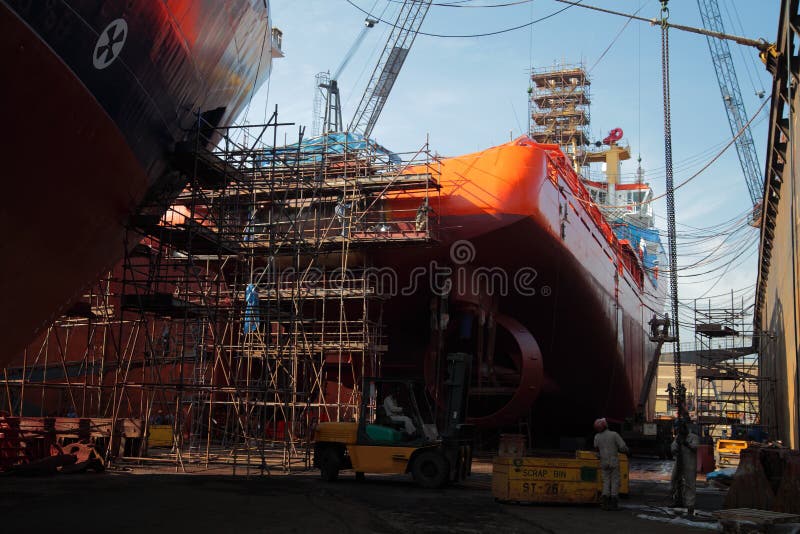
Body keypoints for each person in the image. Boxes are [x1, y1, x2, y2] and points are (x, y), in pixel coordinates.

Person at [593, 418, 629, 511]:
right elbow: (623, 447)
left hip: (604, 462)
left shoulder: (597, 437)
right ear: (606, 425)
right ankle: (614, 503)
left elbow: (596, 452)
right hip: (613, 462)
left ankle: (604, 502)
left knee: (606, 481)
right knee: (615, 481)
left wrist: (600, 456)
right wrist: (626, 451)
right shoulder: (614, 435)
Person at [670, 418, 699, 516]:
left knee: (690, 484)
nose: (679, 431)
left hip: (690, 464)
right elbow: (673, 448)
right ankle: (677, 500)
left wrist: (686, 443)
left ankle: (690, 506)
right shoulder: (678, 437)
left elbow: (695, 447)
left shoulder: (693, 437)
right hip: (679, 463)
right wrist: (676, 445)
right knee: (674, 480)